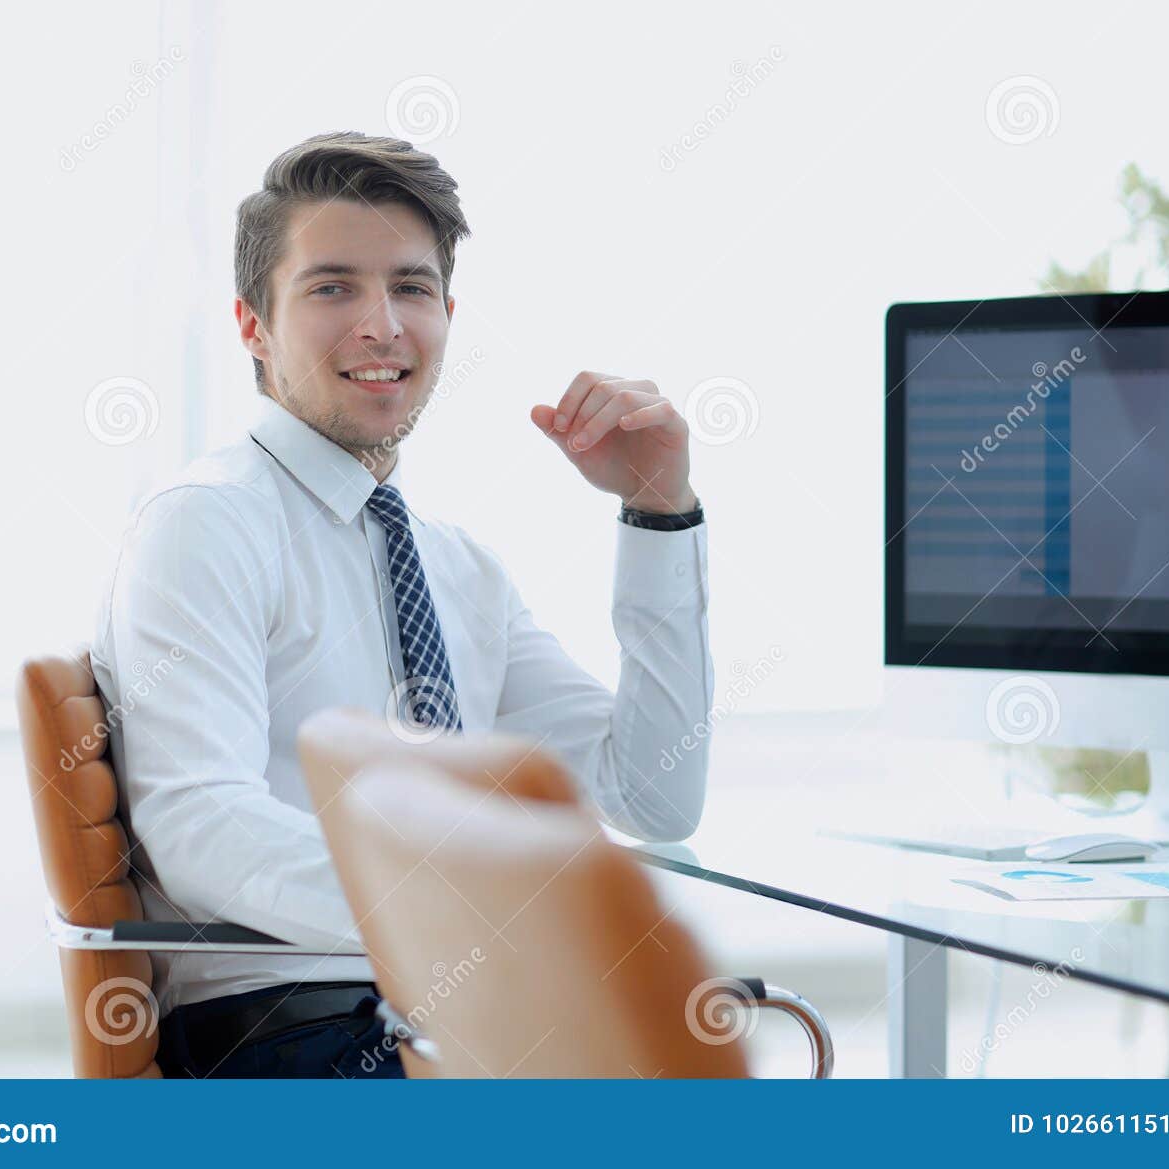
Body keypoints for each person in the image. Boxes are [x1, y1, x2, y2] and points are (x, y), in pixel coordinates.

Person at [90, 130, 714, 1077]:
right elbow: (200, 828)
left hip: (465, 1020)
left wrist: (659, 511)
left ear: (448, 315)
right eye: (333, 286)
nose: (383, 325)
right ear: (252, 323)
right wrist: (467, 913)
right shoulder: (207, 524)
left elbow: (653, 796)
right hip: (296, 1030)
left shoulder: (459, 568)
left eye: (412, 288)